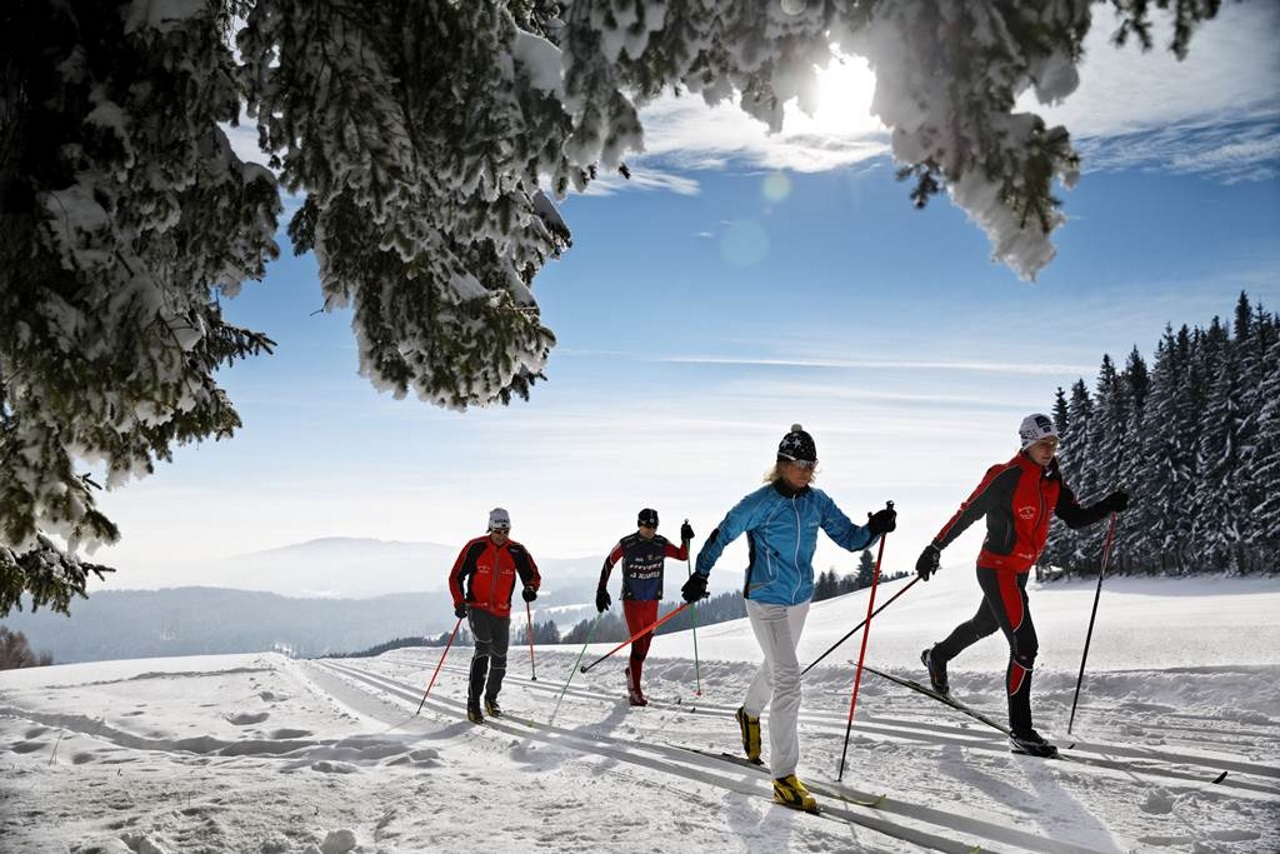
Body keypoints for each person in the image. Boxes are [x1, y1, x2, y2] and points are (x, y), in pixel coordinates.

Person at [682, 424, 896, 813]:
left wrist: (874, 530)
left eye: (810, 465)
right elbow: (721, 534)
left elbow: (850, 538)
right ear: (781, 464)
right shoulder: (759, 502)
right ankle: (783, 777)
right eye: (797, 464)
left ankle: (747, 714)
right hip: (766, 599)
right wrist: (700, 573)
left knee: (775, 667)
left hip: (799, 600)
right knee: (789, 681)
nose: (804, 471)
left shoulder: (817, 502)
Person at [914, 413, 1130, 757]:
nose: (1050, 449)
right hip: (995, 569)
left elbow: (1074, 519)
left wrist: (1108, 506)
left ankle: (937, 656)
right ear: (1027, 443)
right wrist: (934, 547)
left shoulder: (1052, 480)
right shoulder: (1004, 476)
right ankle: (1021, 731)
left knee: (984, 625)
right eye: (1043, 443)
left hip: (1019, 572)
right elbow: (967, 512)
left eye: (1054, 443)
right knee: (1025, 645)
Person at [448, 507, 541, 724]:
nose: (502, 536)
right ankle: (473, 702)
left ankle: (491, 699)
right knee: (483, 648)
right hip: (477, 607)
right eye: (498, 531)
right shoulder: (476, 547)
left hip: (502, 610)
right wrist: (459, 602)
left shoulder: (517, 551)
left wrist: (530, 589)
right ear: (490, 528)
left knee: (500, 657)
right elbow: (455, 577)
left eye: (506, 531)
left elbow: (533, 576)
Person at [596, 508, 695, 706]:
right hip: (632, 600)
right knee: (638, 644)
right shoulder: (628, 543)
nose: (650, 529)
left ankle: (632, 671)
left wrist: (685, 539)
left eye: (654, 525)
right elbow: (609, 562)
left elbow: (683, 556)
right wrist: (601, 589)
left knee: (647, 642)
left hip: (652, 600)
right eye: (647, 525)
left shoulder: (661, 543)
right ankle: (635, 691)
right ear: (639, 524)